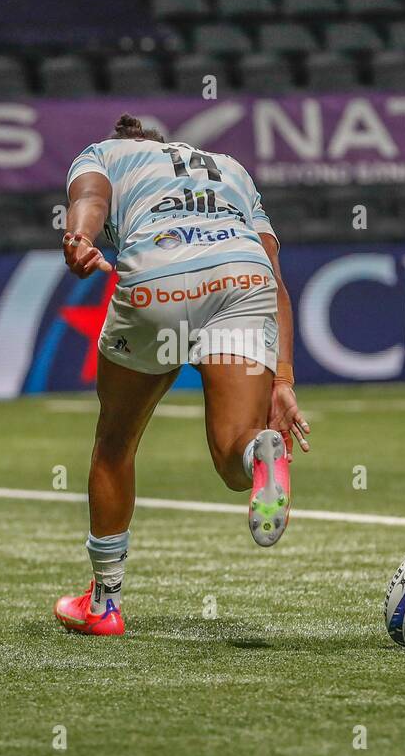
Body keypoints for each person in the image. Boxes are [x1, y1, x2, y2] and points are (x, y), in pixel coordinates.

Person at [53, 114, 310, 636]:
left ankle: (104, 605)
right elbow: (276, 279)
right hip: (242, 278)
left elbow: (91, 200)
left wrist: (80, 236)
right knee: (230, 453)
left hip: (161, 278)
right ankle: (258, 452)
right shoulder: (231, 168)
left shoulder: (104, 152)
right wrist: (282, 379)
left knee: (115, 443)